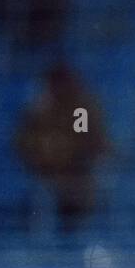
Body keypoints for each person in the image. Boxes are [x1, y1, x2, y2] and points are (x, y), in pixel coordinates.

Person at [15, 63, 109, 232]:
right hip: (46, 176)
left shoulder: (80, 109)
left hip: (76, 176)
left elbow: (85, 142)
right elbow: (24, 145)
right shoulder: (37, 113)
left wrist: (66, 160)